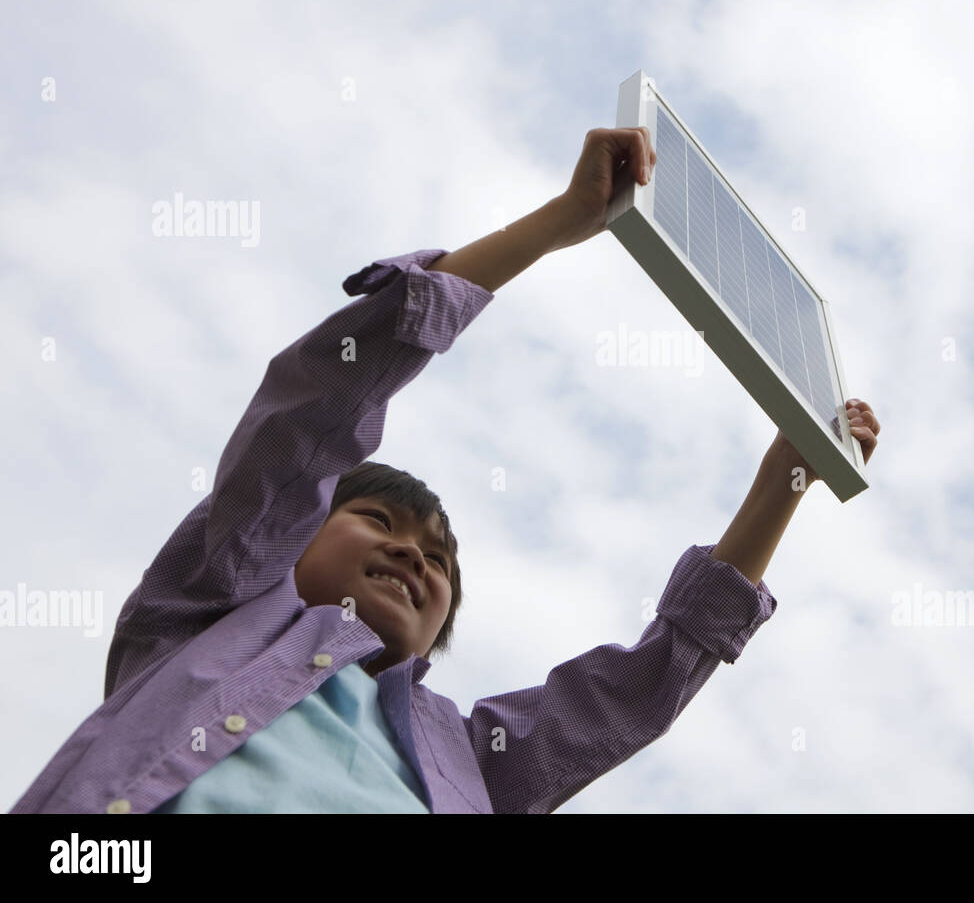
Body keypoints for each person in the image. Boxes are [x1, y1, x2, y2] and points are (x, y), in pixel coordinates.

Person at [10, 127, 881, 814]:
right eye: (378, 522)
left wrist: (786, 484)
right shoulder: (219, 600)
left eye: (439, 561)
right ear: (290, 535)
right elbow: (317, 404)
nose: (415, 558)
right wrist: (551, 226)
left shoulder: (472, 760)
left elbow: (635, 691)